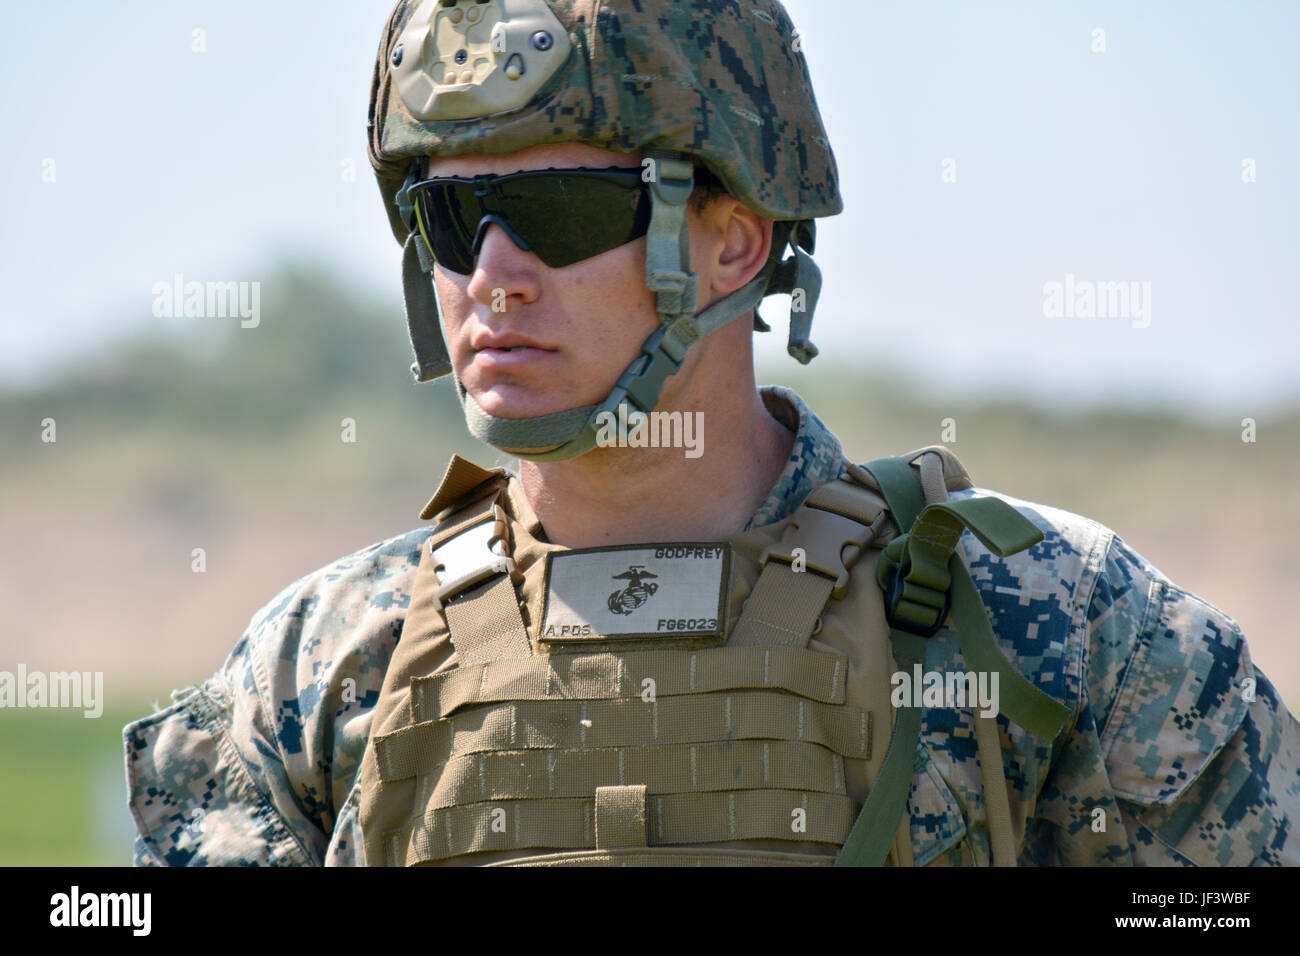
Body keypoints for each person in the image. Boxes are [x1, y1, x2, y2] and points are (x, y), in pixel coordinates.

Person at [124, 0, 1298, 867]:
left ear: (733, 242)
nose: (492, 276)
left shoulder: (1051, 624)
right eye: (449, 215)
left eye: (554, 211)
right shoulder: (322, 670)